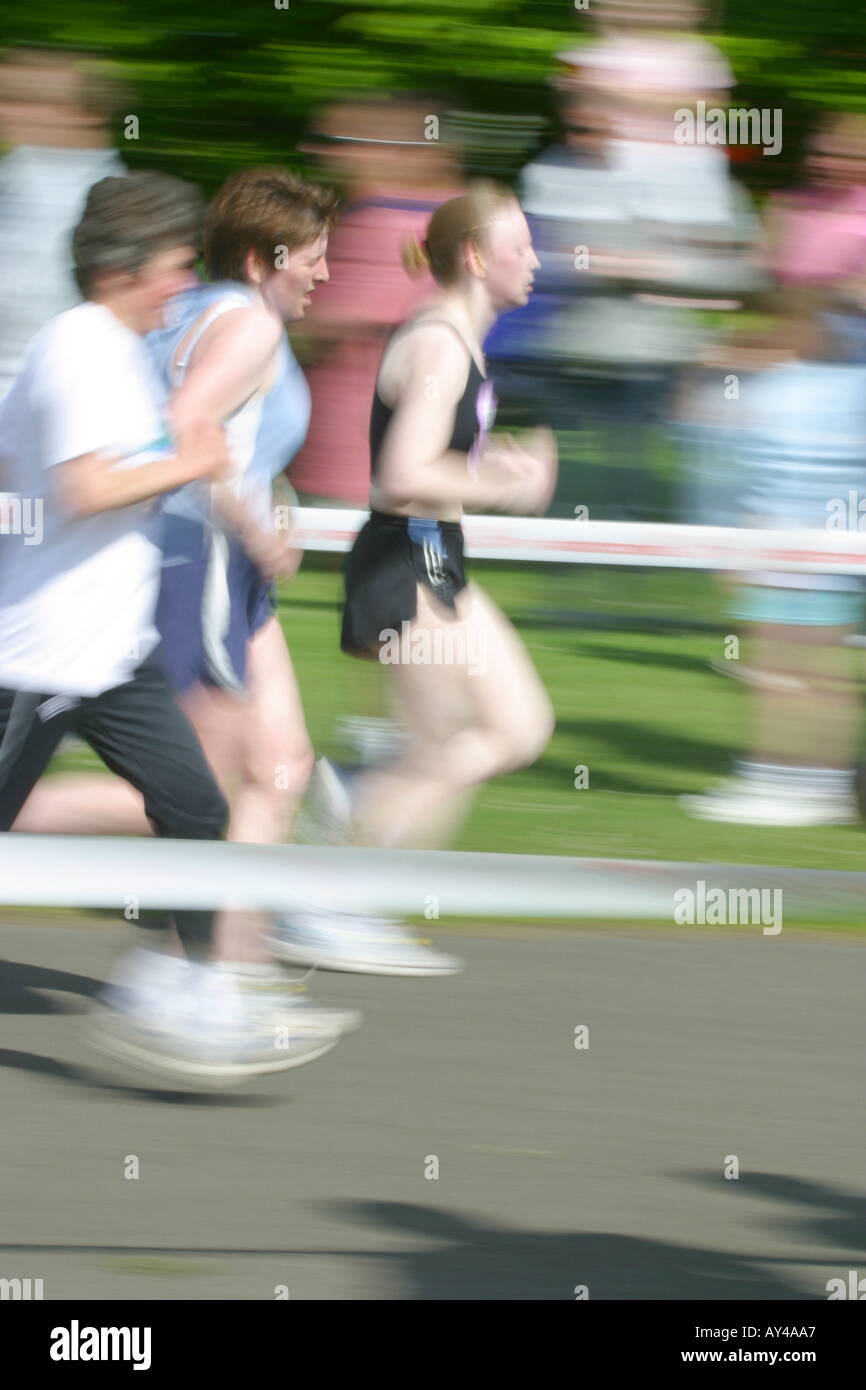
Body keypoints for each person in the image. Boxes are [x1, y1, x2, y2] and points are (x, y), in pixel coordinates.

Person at [0, 172, 358, 1082]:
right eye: (167, 265)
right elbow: (114, 474)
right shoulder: (99, 341)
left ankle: (195, 991)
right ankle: (198, 978)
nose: (179, 281)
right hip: (52, 649)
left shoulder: (130, 340)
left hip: (116, 644)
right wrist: (214, 484)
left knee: (203, 802)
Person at [273, 181, 558, 975]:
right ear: (474, 257)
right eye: (520, 246)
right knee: (461, 739)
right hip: (407, 555)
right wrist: (510, 485)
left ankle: (349, 819)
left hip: (433, 554)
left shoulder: (456, 341)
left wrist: (494, 465)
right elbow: (401, 475)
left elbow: (432, 460)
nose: (536, 261)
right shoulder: (437, 342)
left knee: (514, 729)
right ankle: (329, 892)